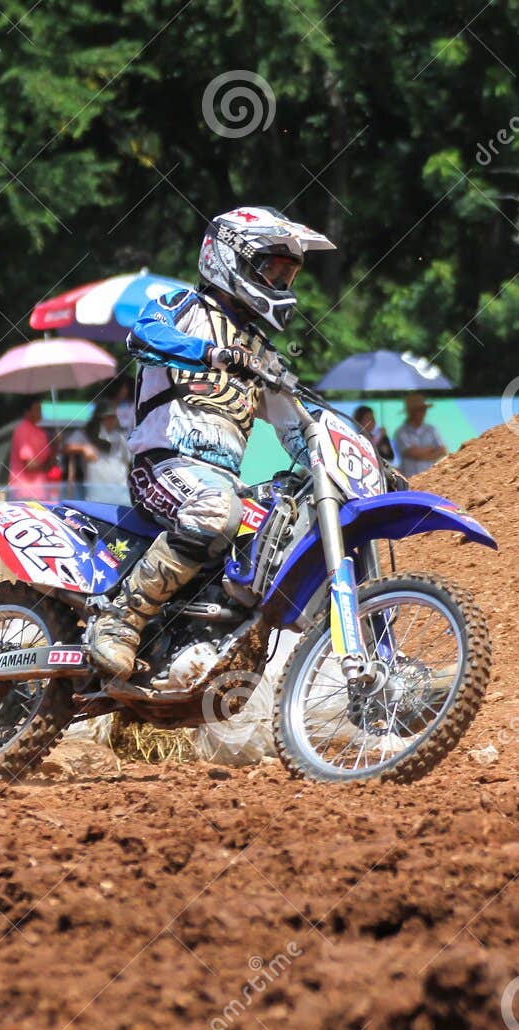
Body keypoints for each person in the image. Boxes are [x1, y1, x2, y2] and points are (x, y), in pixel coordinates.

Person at [86, 205, 335, 678]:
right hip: (162, 464)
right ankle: (119, 620)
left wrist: (353, 461)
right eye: (272, 271)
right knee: (218, 512)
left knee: (281, 519)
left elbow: (298, 427)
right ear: (231, 259)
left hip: (219, 480)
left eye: (288, 275)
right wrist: (212, 354)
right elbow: (143, 336)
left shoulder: (261, 353)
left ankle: (205, 631)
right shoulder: (185, 307)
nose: (281, 284)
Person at [66, 393, 133, 502]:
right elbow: (67, 447)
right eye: (106, 418)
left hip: (120, 494)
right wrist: (83, 448)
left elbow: (130, 462)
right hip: (97, 494)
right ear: (98, 419)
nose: (110, 421)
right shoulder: (85, 435)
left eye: (112, 417)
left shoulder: (121, 436)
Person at [8, 399, 61, 498]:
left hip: (40, 491)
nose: (40, 412)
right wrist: (45, 466)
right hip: (24, 492)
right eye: (37, 409)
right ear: (27, 412)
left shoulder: (40, 432)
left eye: (40, 409)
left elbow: (50, 462)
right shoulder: (22, 429)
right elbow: (29, 465)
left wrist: (56, 444)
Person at [392, 391, 446, 476]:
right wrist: (430, 450)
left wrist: (422, 453)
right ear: (411, 412)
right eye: (420, 410)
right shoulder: (401, 432)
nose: (424, 413)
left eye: (424, 410)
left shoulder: (431, 429)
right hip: (410, 478)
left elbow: (443, 450)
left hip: (430, 478)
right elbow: (413, 453)